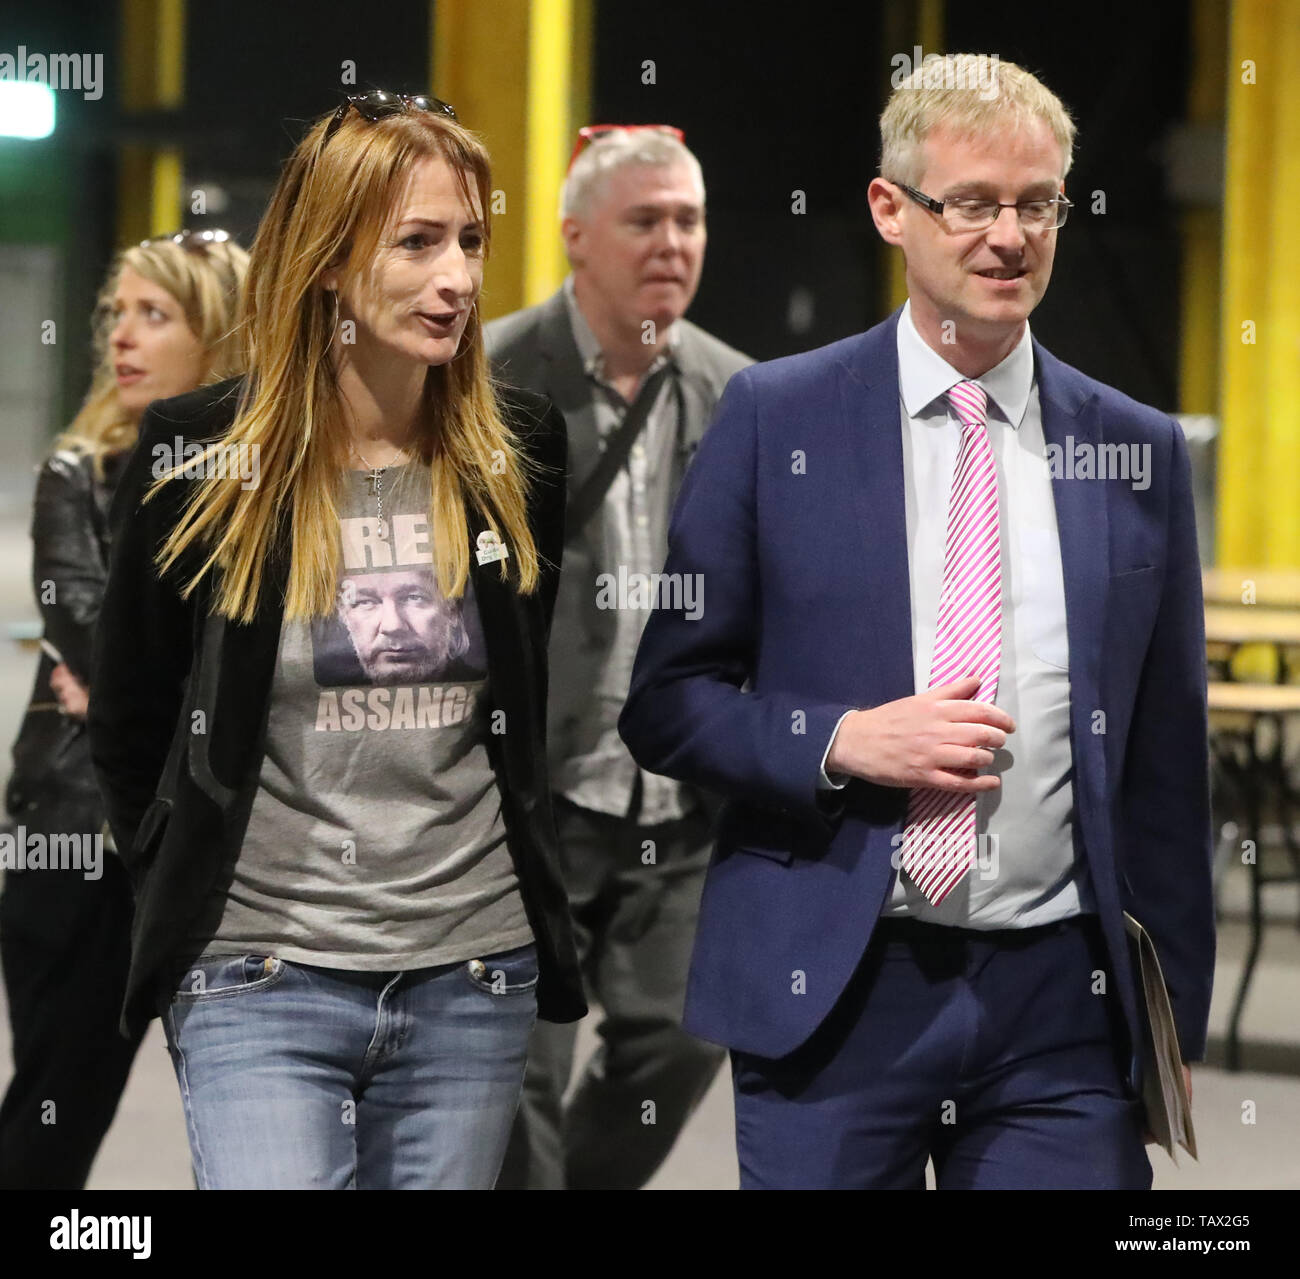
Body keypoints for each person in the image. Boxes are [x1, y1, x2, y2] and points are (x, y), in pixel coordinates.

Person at [619, 55, 1214, 1190]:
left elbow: (1165, 765)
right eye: (975, 204)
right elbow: (666, 704)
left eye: (1037, 204)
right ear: (892, 209)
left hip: (1060, 1007)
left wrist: (1162, 1020)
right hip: (837, 991)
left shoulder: (1134, 449)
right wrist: (838, 742)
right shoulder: (772, 417)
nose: (1010, 237)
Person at [87, 89, 585, 1191]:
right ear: (324, 258)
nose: (456, 276)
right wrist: (185, 895)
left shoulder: (522, 451)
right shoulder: (198, 452)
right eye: (415, 243)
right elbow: (131, 716)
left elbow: (519, 696)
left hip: (473, 972)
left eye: (468, 240)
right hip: (258, 973)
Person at [486, 125, 750, 1189]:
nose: (672, 241)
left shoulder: (742, 392)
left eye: (688, 219)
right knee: (512, 1071)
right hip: (529, 800)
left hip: (678, 801)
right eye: (645, 220)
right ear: (574, 236)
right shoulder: (489, 376)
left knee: (682, 1040)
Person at [0, 229, 248, 1188]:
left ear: (217, 331)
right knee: (58, 1106)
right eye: (116, 314)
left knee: (247, 1117)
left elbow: (245, 659)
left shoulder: (256, 475)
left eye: (156, 314)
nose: (122, 337)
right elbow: (93, 633)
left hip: (212, 845)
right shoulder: (79, 469)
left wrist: (140, 683)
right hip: (74, 833)